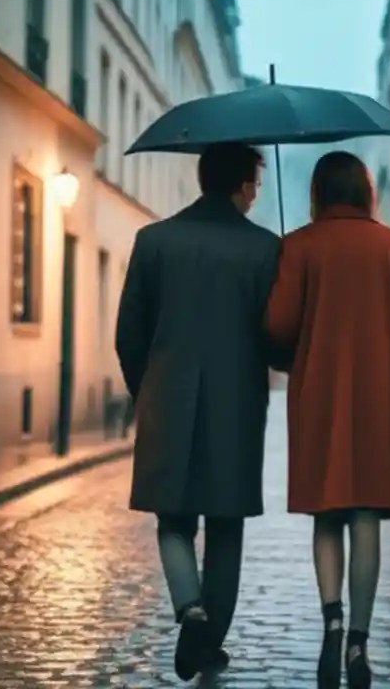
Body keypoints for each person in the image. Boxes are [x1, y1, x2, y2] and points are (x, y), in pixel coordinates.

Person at [265, 151, 390, 689]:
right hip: (382, 394)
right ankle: (359, 640)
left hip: (320, 393)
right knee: (365, 516)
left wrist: (294, 350)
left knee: (326, 512)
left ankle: (331, 618)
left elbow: (278, 328)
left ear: (317, 191)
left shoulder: (300, 245)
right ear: (365, 189)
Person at [115, 142, 278, 681]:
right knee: (226, 527)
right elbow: (276, 339)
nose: (256, 193)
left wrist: (149, 391)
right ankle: (205, 644)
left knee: (173, 518)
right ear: (239, 185)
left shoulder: (154, 240)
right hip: (236, 406)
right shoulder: (264, 249)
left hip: (168, 396)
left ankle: (189, 605)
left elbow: (128, 334)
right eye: (254, 183)